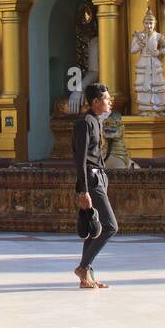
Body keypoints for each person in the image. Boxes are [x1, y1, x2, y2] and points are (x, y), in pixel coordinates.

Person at [73, 83, 118, 289]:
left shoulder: (96, 122)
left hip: (99, 177)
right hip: (91, 180)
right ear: (96, 102)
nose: (110, 101)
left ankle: (87, 277)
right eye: (107, 99)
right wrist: (84, 190)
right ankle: (83, 266)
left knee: (95, 229)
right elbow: (80, 159)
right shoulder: (85, 123)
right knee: (110, 226)